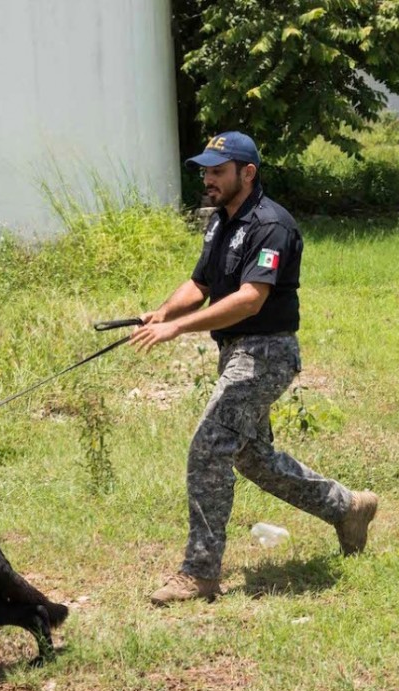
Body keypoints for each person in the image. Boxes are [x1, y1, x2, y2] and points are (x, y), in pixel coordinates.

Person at [129, 131, 378, 606]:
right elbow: (200, 282)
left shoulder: (271, 225)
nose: (208, 180)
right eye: (205, 171)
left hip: (266, 352)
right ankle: (348, 508)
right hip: (236, 351)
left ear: (248, 173)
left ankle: (199, 573)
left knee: (210, 447)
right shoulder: (221, 221)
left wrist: (178, 331)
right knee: (251, 456)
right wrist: (164, 312)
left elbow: (249, 300)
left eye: (218, 172)